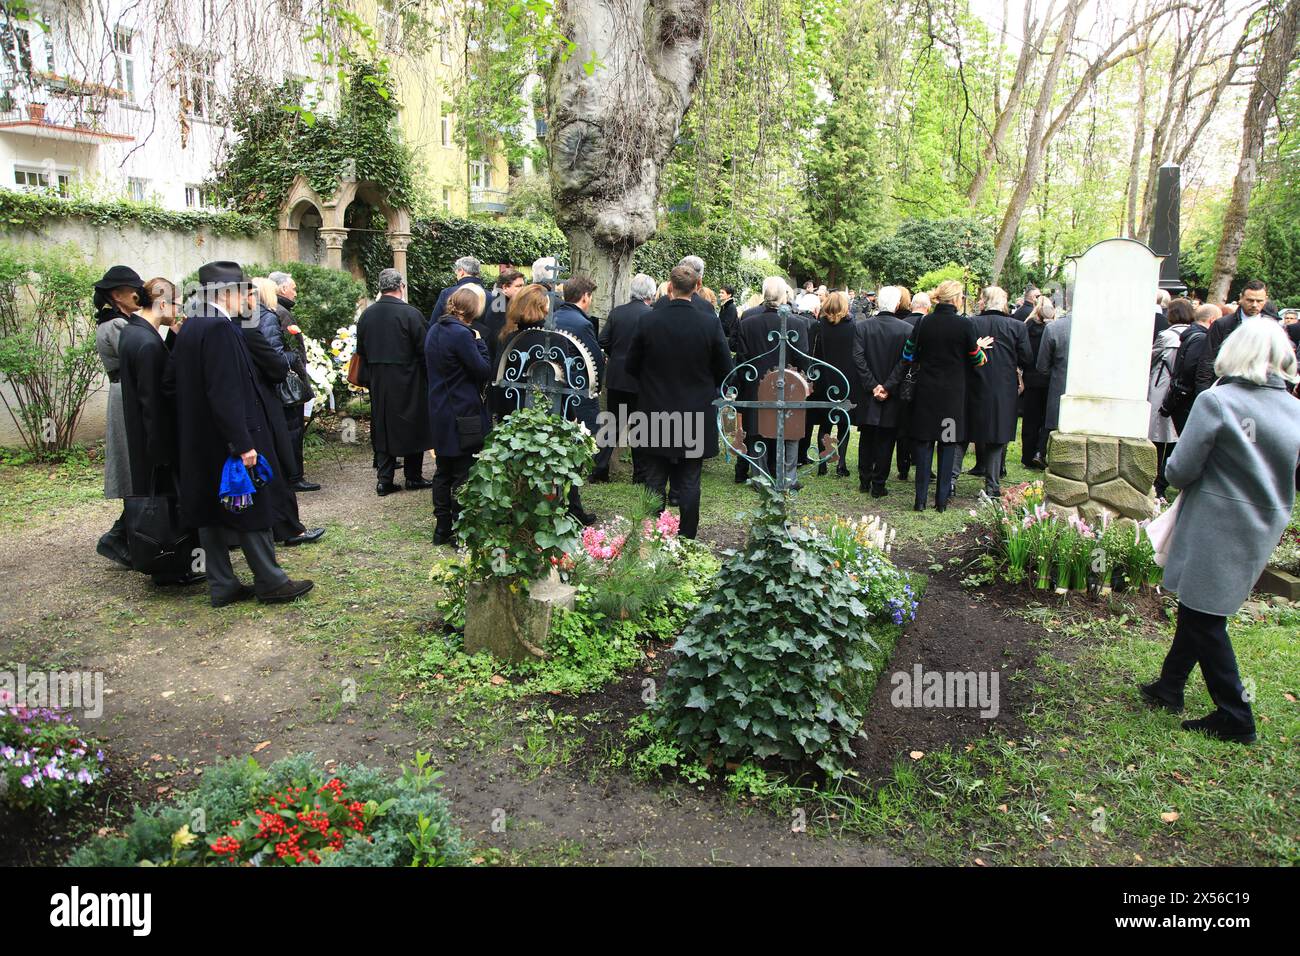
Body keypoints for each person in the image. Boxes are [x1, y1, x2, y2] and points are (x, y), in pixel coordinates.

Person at [1140, 319, 1300, 744]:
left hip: (1216, 521)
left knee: (1205, 619)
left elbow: (1179, 469)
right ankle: (1169, 686)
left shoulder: (1219, 402)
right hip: (1264, 521)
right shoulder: (1295, 408)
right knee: (1201, 608)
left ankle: (1235, 714)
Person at [166, 261, 313, 607]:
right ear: (227, 293)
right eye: (243, 291)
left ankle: (223, 585)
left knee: (212, 512)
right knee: (251, 506)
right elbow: (226, 391)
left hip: (201, 438)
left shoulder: (190, 326)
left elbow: (172, 385)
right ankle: (271, 581)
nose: (247, 297)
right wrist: (243, 443)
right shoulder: (219, 328)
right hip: (229, 439)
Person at [624, 265, 733, 538]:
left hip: (655, 408)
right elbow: (724, 368)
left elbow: (631, 365)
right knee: (689, 479)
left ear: (670, 288)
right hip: (694, 410)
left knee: (654, 478)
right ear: (697, 287)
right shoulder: (709, 323)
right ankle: (687, 536)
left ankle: (651, 536)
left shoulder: (649, 321)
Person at [115, 276, 202, 587]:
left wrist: (173, 339)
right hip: (155, 441)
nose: (177, 310)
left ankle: (164, 562)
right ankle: (169, 568)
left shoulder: (135, 333)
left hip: (143, 437)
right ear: (163, 303)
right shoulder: (148, 342)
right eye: (175, 304)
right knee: (165, 506)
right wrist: (163, 451)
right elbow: (153, 400)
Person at [903, 279, 991, 512]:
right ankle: (941, 501)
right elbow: (976, 359)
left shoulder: (924, 323)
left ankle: (920, 500)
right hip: (952, 399)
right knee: (947, 444)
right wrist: (981, 352)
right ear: (955, 299)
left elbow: (908, 354)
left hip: (925, 395)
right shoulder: (965, 325)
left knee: (923, 446)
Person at [356, 269, 435, 496]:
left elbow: (361, 349)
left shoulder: (367, 315)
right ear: (401, 286)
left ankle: (384, 479)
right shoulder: (411, 314)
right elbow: (425, 349)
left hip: (379, 379)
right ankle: (413, 475)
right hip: (409, 377)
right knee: (414, 423)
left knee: (383, 424)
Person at [425, 286, 493, 546]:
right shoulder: (463, 335)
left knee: (443, 471)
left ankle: (442, 529)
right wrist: (479, 341)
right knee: (463, 473)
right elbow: (482, 370)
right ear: (472, 310)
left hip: (438, 409)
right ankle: (459, 528)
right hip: (463, 412)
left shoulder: (435, 330)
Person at [93, 266, 151, 569]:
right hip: (126, 396)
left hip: (130, 392)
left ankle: (126, 535)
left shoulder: (123, 322)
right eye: (133, 291)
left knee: (139, 467)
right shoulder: (116, 325)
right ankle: (122, 537)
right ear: (117, 295)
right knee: (133, 467)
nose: (138, 295)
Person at [734, 277, 811, 484]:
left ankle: (760, 476)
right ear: (784, 296)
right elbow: (804, 359)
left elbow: (742, 360)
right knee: (790, 432)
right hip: (788, 385)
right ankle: (788, 477)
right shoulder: (797, 323)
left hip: (756, 385)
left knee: (757, 433)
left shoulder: (748, 323)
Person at [959, 286, 1032, 499]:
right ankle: (992, 485)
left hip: (974, 384)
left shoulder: (971, 323)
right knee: (997, 437)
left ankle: (951, 481)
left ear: (984, 301)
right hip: (1003, 387)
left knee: (963, 434)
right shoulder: (1017, 327)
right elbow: (1026, 358)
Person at [553, 274, 606, 523]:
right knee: (578, 449)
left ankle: (559, 501)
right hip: (578, 394)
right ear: (585, 297)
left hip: (554, 393)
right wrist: (597, 387)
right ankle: (573, 505)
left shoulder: (551, 316)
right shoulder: (582, 323)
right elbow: (593, 360)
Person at [598, 272, 655, 485]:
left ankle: (600, 467)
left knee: (612, 423)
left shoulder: (617, 312)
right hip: (640, 378)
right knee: (639, 426)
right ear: (650, 293)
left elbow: (603, 339)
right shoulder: (651, 315)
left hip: (616, 376)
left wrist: (617, 355)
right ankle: (639, 475)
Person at [852, 288, 910, 496]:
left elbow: (859, 359)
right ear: (896, 305)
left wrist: (876, 386)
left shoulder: (863, 327)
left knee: (868, 436)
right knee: (886, 437)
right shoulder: (905, 330)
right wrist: (884, 386)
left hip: (876, 391)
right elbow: (904, 362)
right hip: (887, 391)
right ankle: (878, 483)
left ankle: (865, 480)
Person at [268, 270, 318, 493]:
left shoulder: (278, 310)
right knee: (293, 429)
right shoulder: (281, 313)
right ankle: (294, 476)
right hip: (288, 381)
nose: (296, 292)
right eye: (293, 288)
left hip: (282, 380)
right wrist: (299, 369)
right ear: (281, 289)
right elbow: (289, 350)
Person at [1148, 297, 1194, 497]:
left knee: (1158, 434)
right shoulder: (1196, 335)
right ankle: (1165, 480)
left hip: (1162, 385)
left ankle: (1155, 478)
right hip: (1183, 389)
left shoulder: (1166, 336)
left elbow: (1151, 358)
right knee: (1174, 435)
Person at [811, 291, 856, 478]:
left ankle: (823, 463)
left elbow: (813, 354)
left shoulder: (818, 326)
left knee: (825, 422)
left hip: (824, 378)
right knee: (844, 422)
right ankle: (841, 464)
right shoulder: (853, 327)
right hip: (845, 378)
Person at [1196, 280, 1270, 394]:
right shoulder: (1222, 325)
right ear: (1241, 298)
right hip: (1226, 388)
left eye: (1259, 301)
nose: (1255, 304)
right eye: (1250, 300)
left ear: (1265, 299)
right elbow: (1207, 361)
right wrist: (1202, 393)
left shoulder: (1270, 326)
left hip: (1259, 389)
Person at [1020, 297, 1055, 469]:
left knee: (1030, 419)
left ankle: (1027, 455)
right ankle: (1039, 452)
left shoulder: (1026, 327)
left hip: (1031, 378)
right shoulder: (1053, 330)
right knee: (1044, 419)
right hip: (1047, 379)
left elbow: (1024, 352)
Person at [1035, 301, 1072, 460]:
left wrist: (1056, 373)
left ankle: (1042, 452)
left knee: (1053, 423)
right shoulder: (1100, 330)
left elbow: (1042, 365)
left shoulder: (1054, 328)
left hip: (1059, 385)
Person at [430, 256, 487, 324]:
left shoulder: (447, 293)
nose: (456, 274)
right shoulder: (490, 296)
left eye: (456, 271)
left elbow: (435, 321)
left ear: (461, 271)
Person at [718, 285, 740, 352]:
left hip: (728, 341)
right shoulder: (724, 306)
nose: (720, 294)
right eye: (720, 292)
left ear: (729, 295)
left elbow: (727, 326)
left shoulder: (731, 307)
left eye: (722, 293)